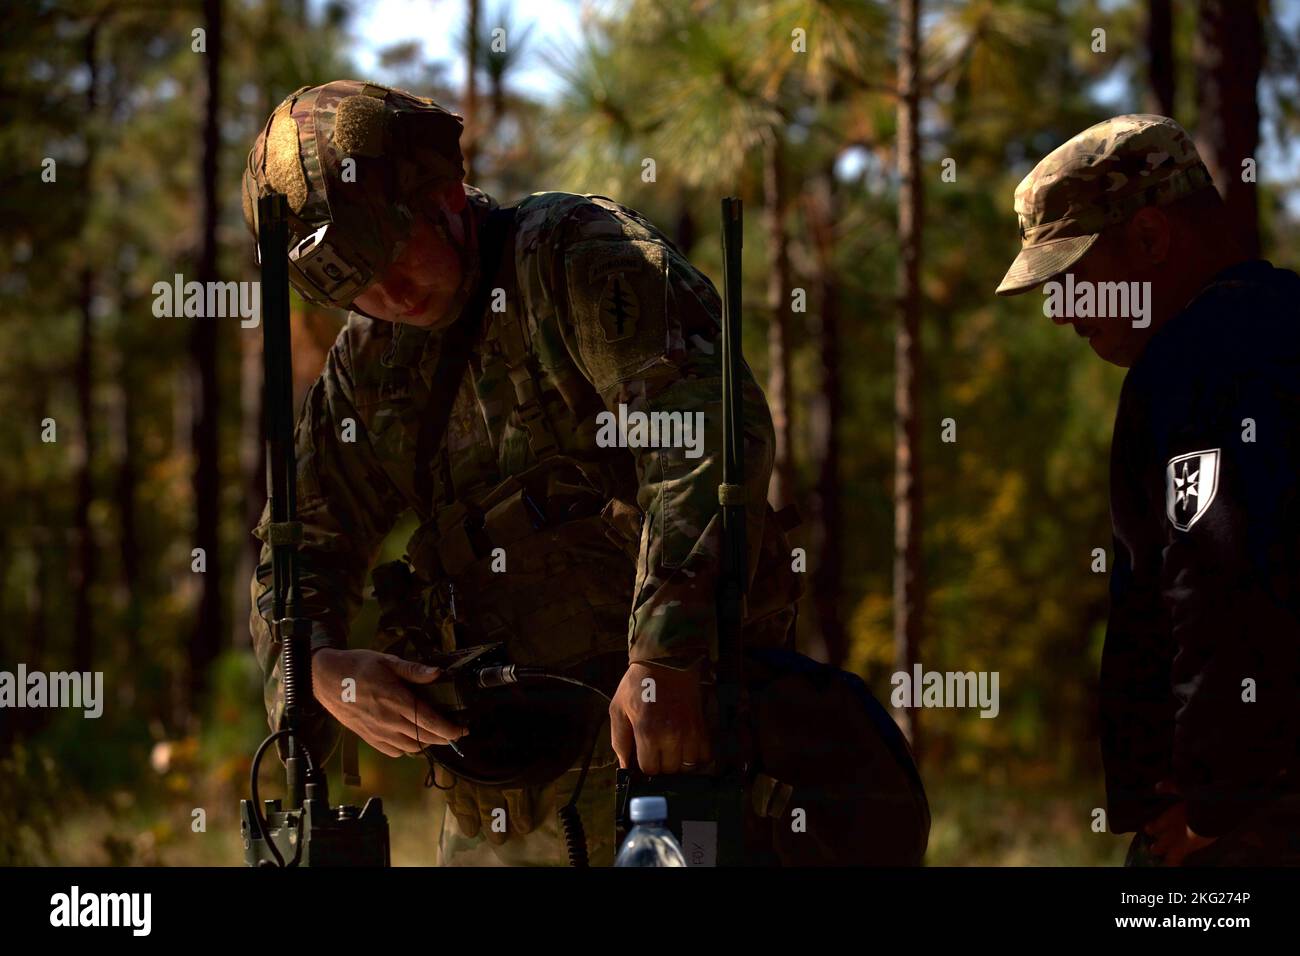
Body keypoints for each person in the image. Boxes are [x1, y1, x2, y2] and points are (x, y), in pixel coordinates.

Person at [241, 80, 798, 865]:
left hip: (672, 745)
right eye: (350, 286)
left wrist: (667, 655)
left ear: (444, 196)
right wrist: (323, 670)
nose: (387, 295)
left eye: (391, 254)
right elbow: (301, 544)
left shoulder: (576, 256)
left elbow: (703, 444)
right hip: (497, 786)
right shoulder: (369, 367)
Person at [996, 114, 1300, 866]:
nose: (1063, 314)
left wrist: (1213, 799)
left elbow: (1223, 582)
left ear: (1153, 240)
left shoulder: (1193, 361)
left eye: (1071, 279)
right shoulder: (1282, 323)